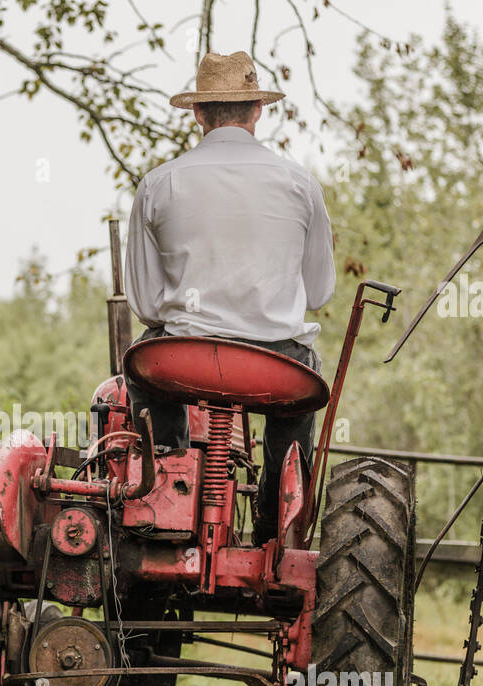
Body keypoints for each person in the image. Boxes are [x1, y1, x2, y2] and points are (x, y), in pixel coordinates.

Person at [124, 50, 335, 539]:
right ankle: (275, 523)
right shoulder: (301, 184)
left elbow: (147, 304)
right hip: (276, 364)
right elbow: (320, 290)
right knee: (299, 395)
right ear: (258, 109)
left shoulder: (158, 184)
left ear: (198, 112)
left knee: (142, 366)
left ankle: (169, 495)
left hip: (183, 357)